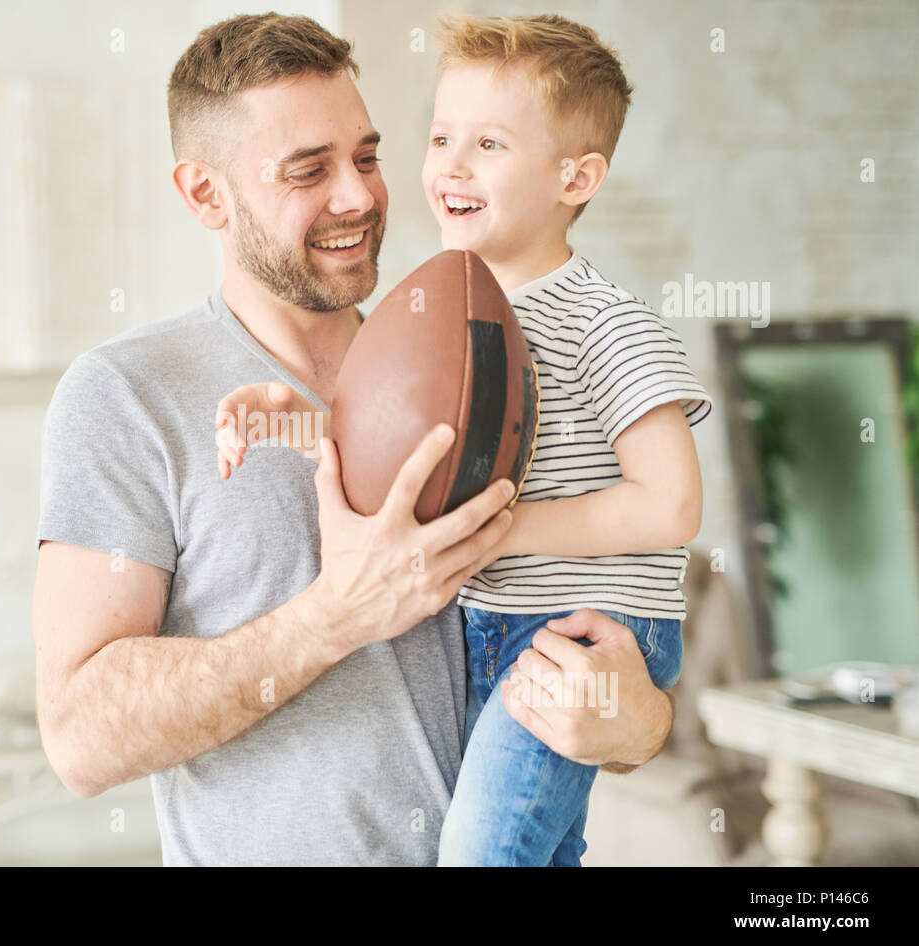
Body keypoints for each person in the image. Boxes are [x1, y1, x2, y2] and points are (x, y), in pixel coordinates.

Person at [34, 12, 676, 866]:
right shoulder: (126, 396)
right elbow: (80, 739)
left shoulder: (469, 367)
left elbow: (583, 655)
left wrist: (638, 721)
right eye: (310, 170)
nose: (361, 197)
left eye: (366, 157)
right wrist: (335, 617)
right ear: (203, 193)